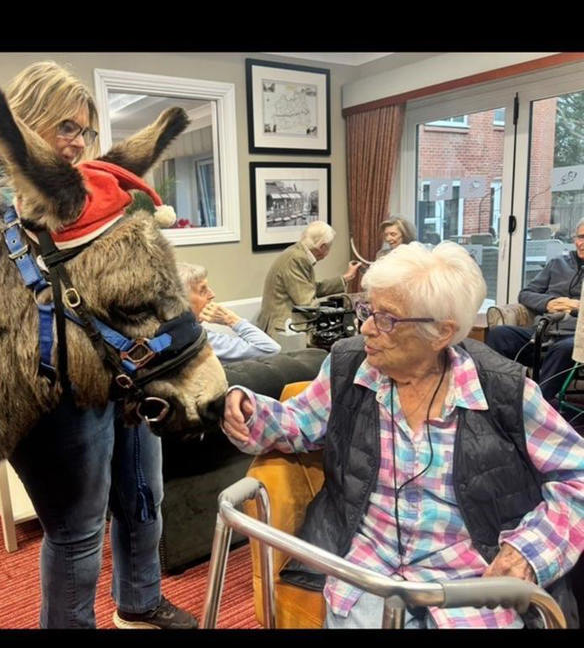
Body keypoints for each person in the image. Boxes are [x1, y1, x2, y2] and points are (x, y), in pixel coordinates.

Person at [222, 240, 584, 628]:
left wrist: (528, 552)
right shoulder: (349, 366)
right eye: (367, 310)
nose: (365, 328)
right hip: (367, 575)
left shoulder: (505, 392)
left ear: (441, 333)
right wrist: (250, 410)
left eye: (387, 318)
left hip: (471, 585)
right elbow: (298, 422)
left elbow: (577, 479)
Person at [0, 60, 198, 630]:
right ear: (27, 122)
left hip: (122, 368)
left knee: (144, 495)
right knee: (76, 529)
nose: (78, 143)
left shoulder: (93, 189)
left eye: (85, 131)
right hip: (56, 392)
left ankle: (140, 601)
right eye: (65, 127)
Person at [484, 220, 584, 404]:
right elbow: (526, 294)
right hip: (542, 332)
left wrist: (578, 305)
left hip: (576, 339)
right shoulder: (557, 264)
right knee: (500, 335)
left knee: (564, 348)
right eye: (580, 237)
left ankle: (535, 407)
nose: (582, 243)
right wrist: (549, 302)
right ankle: (494, 397)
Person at [256, 222, 361, 337]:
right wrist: (340, 314)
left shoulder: (295, 252)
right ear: (323, 247)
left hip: (278, 325)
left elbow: (308, 288)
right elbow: (308, 305)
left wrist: (346, 277)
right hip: (284, 331)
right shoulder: (297, 259)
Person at [177, 263, 281, 363]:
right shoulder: (197, 339)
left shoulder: (166, 336)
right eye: (203, 290)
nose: (212, 294)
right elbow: (270, 349)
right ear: (180, 300)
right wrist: (231, 319)